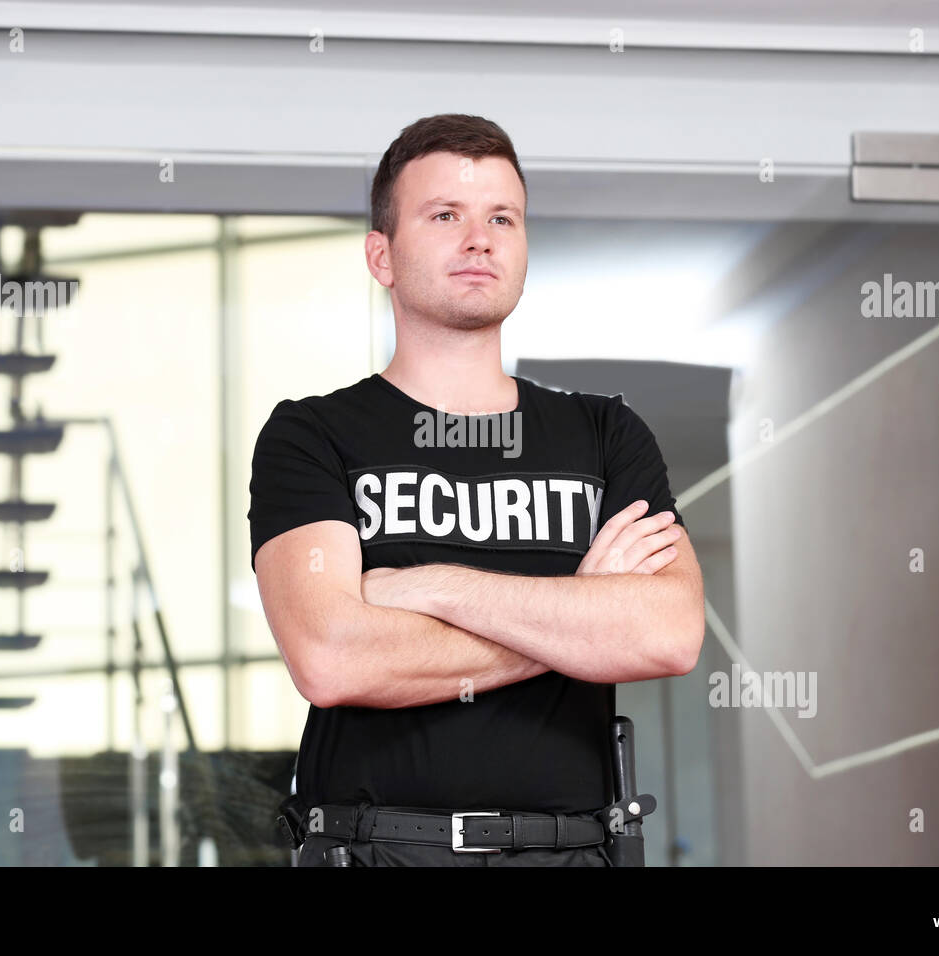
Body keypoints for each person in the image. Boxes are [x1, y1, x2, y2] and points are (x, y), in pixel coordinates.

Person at [248, 113, 704, 866]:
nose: (480, 238)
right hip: (376, 851)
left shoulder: (605, 434)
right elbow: (332, 657)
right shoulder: (311, 436)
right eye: (445, 215)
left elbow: (668, 632)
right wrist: (577, 621)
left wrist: (432, 587)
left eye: (502, 217)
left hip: (573, 853)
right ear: (381, 255)